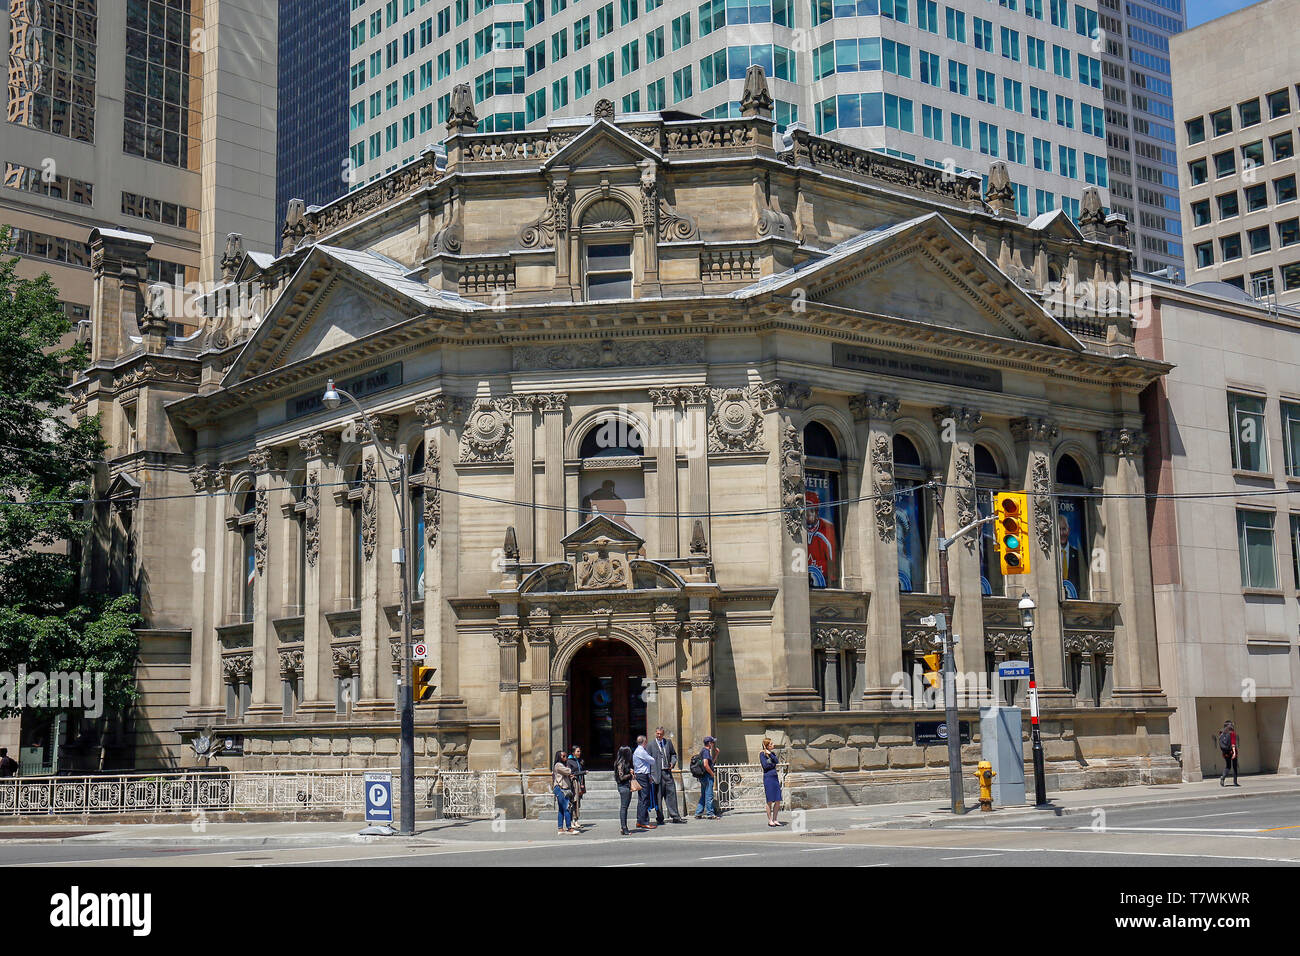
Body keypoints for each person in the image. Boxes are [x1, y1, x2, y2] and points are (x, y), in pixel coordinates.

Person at [651, 726, 685, 825]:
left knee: (671, 794)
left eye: (661, 734)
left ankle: (675, 816)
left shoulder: (668, 742)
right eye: (657, 733)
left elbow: (674, 754)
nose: (659, 735)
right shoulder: (651, 745)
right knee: (658, 796)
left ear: (663, 734)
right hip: (657, 774)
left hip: (667, 772)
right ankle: (660, 817)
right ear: (655, 733)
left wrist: (672, 763)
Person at [632, 734, 656, 830]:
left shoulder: (637, 751)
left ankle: (640, 820)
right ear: (644, 742)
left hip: (642, 775)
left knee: (642, 799)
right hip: (642, 776)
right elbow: (652, 760)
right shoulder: (641, 751)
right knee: (644, 799)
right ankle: (644, 821)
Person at [553, 750, 578, 834]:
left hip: (562, 788)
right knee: (567, 808)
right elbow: (568, 771)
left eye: (566, 756)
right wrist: (571, 767)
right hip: (561, 788)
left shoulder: (562, 765)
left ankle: (560, 828)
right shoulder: (558, 765)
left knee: (561, 809)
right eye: (563, 756)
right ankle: (569, 828)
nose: (565, 758)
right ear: (559, 757)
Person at [760, 737, 783, 827]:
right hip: (768, 778)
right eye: (771, 744)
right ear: (766, 746)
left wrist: (770, 755)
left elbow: (776, 761)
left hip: (774, 777)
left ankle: (775, 819)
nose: (773, 745)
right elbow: (765, 766)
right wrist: (771, 761)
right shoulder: (762, 754)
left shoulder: (772, 753)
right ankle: (770, 820)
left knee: (777, 800)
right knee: (769, 800)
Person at [693, 736, 718, 819]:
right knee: (709, 795)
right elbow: (705, 764)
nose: (713, 744)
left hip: (703, 776)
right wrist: (712, 774)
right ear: (709, 743)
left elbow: (711, 763)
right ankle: (710, 813)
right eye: (713, 743)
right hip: (707, 776)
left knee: (704, 795)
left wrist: (716, 754)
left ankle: (698, 813)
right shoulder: (706, 751)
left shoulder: (704, 751)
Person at [613, 745, 635, 835]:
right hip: (623, 786)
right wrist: (630, 775)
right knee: (624, 807)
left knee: (625, 807)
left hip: (626, 786)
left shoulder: (624, 762)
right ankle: (624, 827)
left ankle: (624, 827)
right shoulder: (621, 763)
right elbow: (621, 777)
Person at [567, 745, 587, 828]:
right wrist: (583, 772)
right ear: (573, 752)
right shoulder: (569, 761)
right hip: (573, 784)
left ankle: (576, 820)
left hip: (580, 783)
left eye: (579, 751)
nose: (579, 753)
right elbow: (571, 773)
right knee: (573, 802)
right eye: (577, 751)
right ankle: (571, 821)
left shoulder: (579, 761)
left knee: (578, 803)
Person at [1218, 720, 1239, 787]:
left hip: (1225, 753)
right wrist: (1234, 752)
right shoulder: (1232, 733)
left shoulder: (1221, 733)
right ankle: (1235, 782)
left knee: (1228, 766)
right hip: (1232, 751)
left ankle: (1223, 777)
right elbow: (1233, 743)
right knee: (1234, 766)